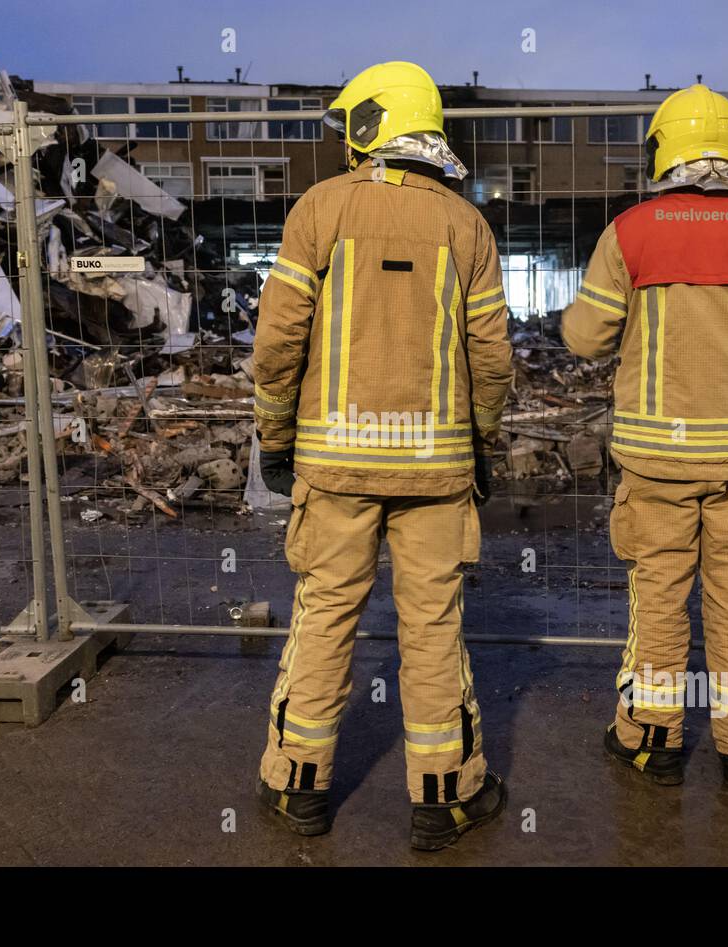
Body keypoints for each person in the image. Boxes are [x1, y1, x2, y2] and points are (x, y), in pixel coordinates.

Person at [252, 61, 514, 848]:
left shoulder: (318, 210)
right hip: (436, 470)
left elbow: (276, 345)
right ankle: (443, 797)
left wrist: (274, 437)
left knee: (325, 613)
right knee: (432, 625)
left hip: (333, 467)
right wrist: (483, 442)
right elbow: (493, 358)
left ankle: (299, 786)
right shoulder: (468, 225)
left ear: (370, 125)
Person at [562, 84, 728, 789]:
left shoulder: (633, 232)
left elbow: (586, 338)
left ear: (665, 147)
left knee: (659, 597)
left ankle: (651, 740)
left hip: (655, 464)